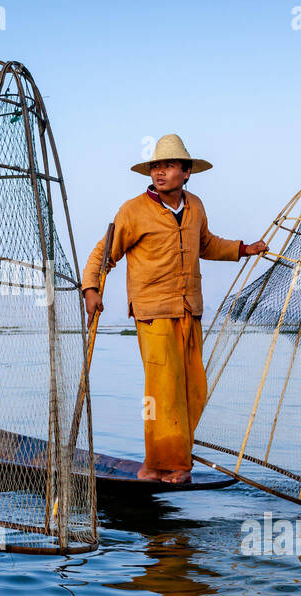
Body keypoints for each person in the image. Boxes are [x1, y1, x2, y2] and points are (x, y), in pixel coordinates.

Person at [81, 134, 267, 484]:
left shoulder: (195, 205)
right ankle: (159, 466)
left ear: (186, 172)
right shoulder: (133, 211)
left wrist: (243, 249)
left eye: (168, 166)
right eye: (155, 166)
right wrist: (91, 288)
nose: (160, 172)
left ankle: (173, 457)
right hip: (153, 311)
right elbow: (102, 254)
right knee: (162, 391)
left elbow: (206, 244)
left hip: (189, 309)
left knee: (194, 389)